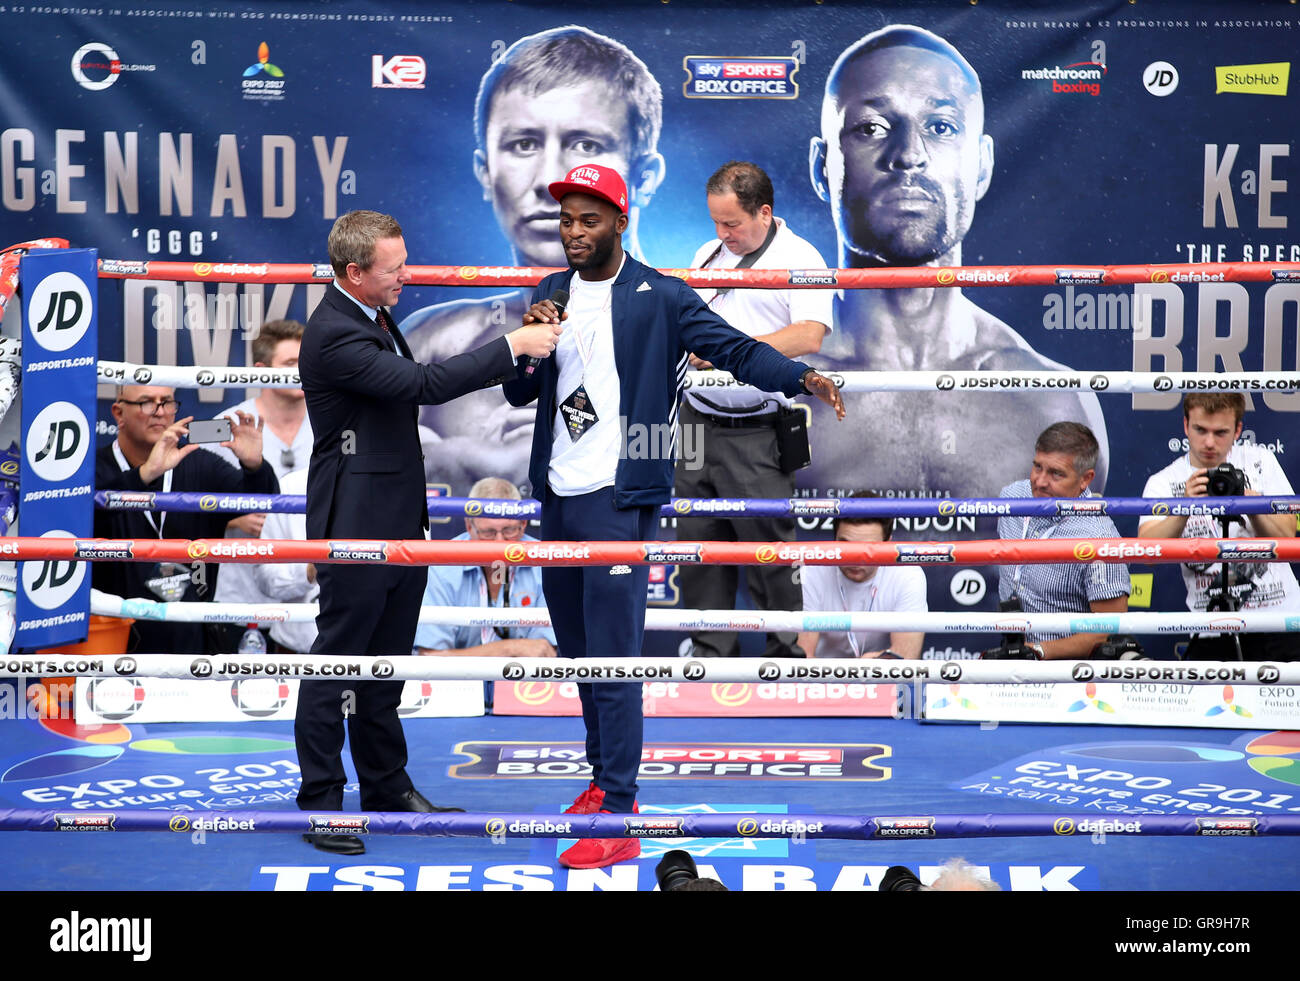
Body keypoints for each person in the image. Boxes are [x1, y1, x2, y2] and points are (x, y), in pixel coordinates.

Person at [504, 164, 845, 869]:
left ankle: (622, 808)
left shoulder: (660, 294)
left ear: (620, 222)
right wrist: (529, 344)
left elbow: (736, 349)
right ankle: (601, 782)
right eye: (566, 219)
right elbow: (518, 392)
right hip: (558, 493)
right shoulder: (549, 292)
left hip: (620, 492)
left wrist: (802, 377)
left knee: (614, 654)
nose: (573, 232)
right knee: (578, 651)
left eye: (588, 219)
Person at [294, 209, 560, 855]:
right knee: (339, 663)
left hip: (396, 517)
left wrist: (521, 347)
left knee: (385, 663)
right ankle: (322, 802)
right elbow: (423, 384)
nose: (406, 277)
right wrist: (512, 348)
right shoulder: (334, 332)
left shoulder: (373, 316)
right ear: (354, 272)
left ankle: (386, 785)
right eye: (394, 269)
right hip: (355, 521)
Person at [808, 25, 1109, 501]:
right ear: (822, 166)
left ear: (983, 166)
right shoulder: (773, 391)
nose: (908, 154)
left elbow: (1070, 574)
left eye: (941, 127)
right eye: (871, 128)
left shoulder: (1051, 400)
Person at [399, 26, 666, 496]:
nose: (549, 179)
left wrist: (462, 457)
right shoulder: (435, 341)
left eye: (586, 144)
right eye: (524, 144)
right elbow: (371, 458)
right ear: (485, 171)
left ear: (643, 177)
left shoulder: (678, 313)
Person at [676, 161, 833, 659]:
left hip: (758, 426)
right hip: (695, 418)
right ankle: (709, 651)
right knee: (698, 544)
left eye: (733, 224)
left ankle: (783, 652)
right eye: (717, 223)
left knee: (769, 547)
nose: (723, 234)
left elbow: (809, 334)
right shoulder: (707, 254)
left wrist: (729, 350)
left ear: (764, 213)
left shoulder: (801, 256)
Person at [93, 384, 278, 654]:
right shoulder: (92, 467)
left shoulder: (200, 462)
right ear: (119, 413)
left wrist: (254, 465)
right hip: (113, 636)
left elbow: (260, 501)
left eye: (166, 402)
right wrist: (144, 475)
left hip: (191, 639)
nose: (159, 412)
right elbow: (80, 523)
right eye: (147, 402)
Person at [1138, 394, 1299, 661]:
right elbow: (1146, 553)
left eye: (1221, 432)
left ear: (1238, 430)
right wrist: (1184, 507)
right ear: (1185, 425)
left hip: (1280, 622)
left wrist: (1252, 504)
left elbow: (1286, 537)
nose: (1209, 442)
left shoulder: (1262, 462)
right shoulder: (1164, 481)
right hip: (1212, 627)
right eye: (1200, 430)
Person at [203, 318, 313, 651]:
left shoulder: (335, 424)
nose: (301, 370)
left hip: (309, 603)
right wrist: (231, 517)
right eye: (290, 363)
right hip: (241, 596)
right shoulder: (221, 424)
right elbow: (183, 498)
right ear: (261, 370)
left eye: (306, 361)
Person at [995, 422, 1130, 659]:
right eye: (1038, 467)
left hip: (1070, 678)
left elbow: (1109, 632)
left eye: (1056, 473)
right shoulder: (1013, 497)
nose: (1040, 481)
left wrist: (1038, 652)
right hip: (1011, 658)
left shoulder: (1100, 539)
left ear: (1085, 479)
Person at [414, 477, 556, 660]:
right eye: (488, 533)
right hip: (455, 686)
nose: (499, 543)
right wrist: (509, 649)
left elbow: (544, 653)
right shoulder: (441, 565)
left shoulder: (544, 561)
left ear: (523, 525)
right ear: (469, 526)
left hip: (526, 686)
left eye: (508, 531)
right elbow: (430, 657)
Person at [795, 492, 926, 659]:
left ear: (888, 544)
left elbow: (906, 656)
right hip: (821, 680)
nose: (856, 560)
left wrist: (864, 672)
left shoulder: (908, 574)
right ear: (833, 540)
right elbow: (803, 657)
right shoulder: (811, 570)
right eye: (847, 548)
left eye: (868, 550)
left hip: (883, 680)